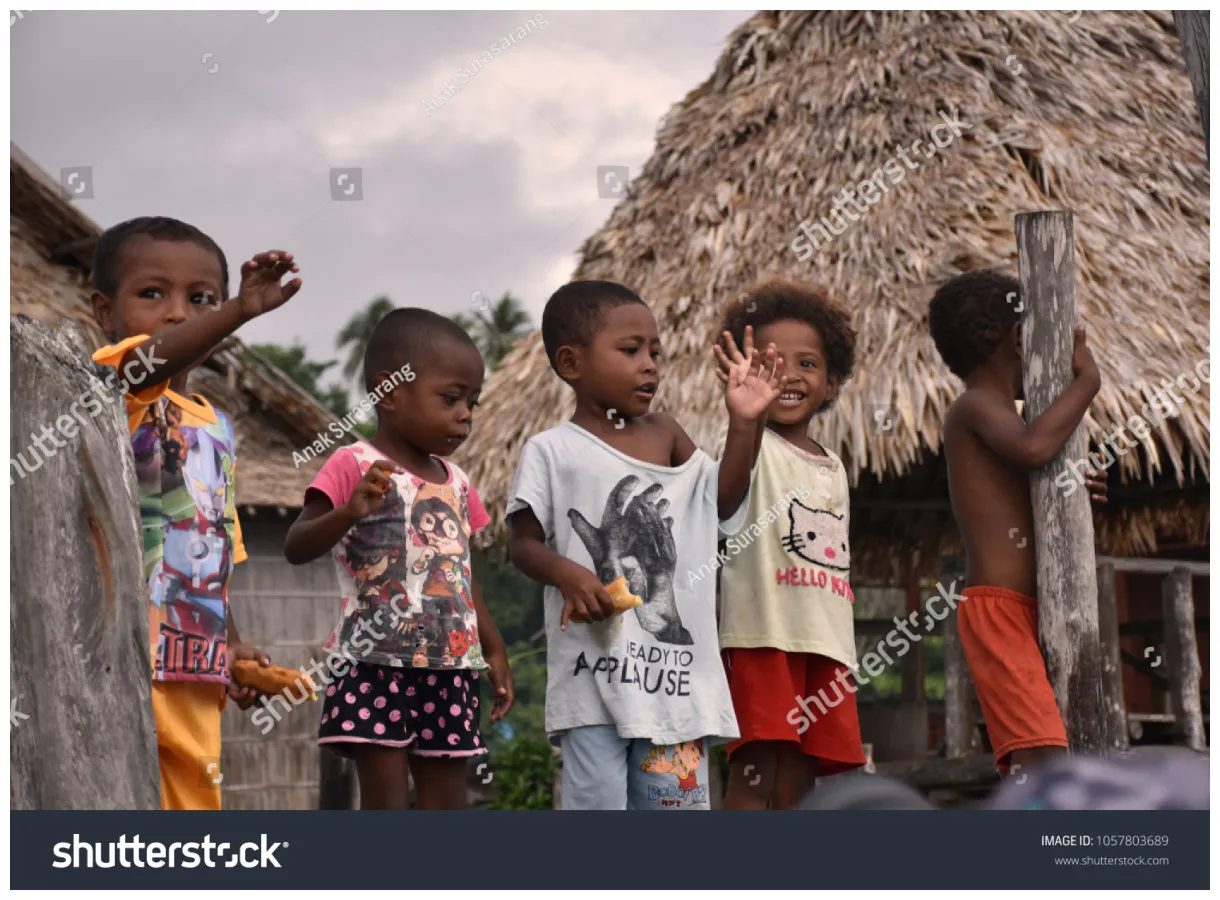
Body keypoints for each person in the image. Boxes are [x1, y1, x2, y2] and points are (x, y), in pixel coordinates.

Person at [506, 280, 784, 810]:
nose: (650, 364)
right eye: (630, 350)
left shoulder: (668, 434)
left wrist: (746, 423)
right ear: (571, 363)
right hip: (592, 685)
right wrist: (568, 573)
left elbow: (721, 503)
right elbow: (522, 544)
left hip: (675, 690)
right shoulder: (551, 451)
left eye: (656, 351)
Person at [88, 216, 294, 809]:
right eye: (153, 294)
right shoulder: (113, 385)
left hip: (195, 660)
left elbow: (219, 548)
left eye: (200, 299)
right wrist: (232, 312)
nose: (180, 313)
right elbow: (143, 367)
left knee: (193, 804)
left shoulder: (217, 426)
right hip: (121, 651)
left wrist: (230, 647)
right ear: (106, 310)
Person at [284, 308, 513, 810]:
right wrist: (347, 512)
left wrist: (492, 649)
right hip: (374, 664)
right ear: (389, 392)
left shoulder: (459, 483)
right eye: (451, 399)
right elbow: (296, 546)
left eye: (472, 402)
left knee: (446, 806)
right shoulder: (354, 464)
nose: (466, 415)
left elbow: (462, 577)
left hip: (451, 666)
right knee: (385, 804)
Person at [928, 269, 1107, 775]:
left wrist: (1076, 494)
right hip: (999, 613)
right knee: (1043, 758)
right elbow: (1033, 450)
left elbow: (1031, 489)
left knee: (1055, 754)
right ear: (1018, 337)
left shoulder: (1008, 417)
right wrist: (1088, 382)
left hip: (1038, 607)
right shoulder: (973, 408)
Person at [713, 281, 867, 809]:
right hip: (762, 637)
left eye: (808, 364)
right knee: (756, 769)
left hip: (823, 644)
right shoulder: (751, 442)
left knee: (801, 781)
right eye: (771, 365)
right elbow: (724, 500)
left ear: (832, 381)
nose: (790, 377)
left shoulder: (835, 464)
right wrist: (744, 419)